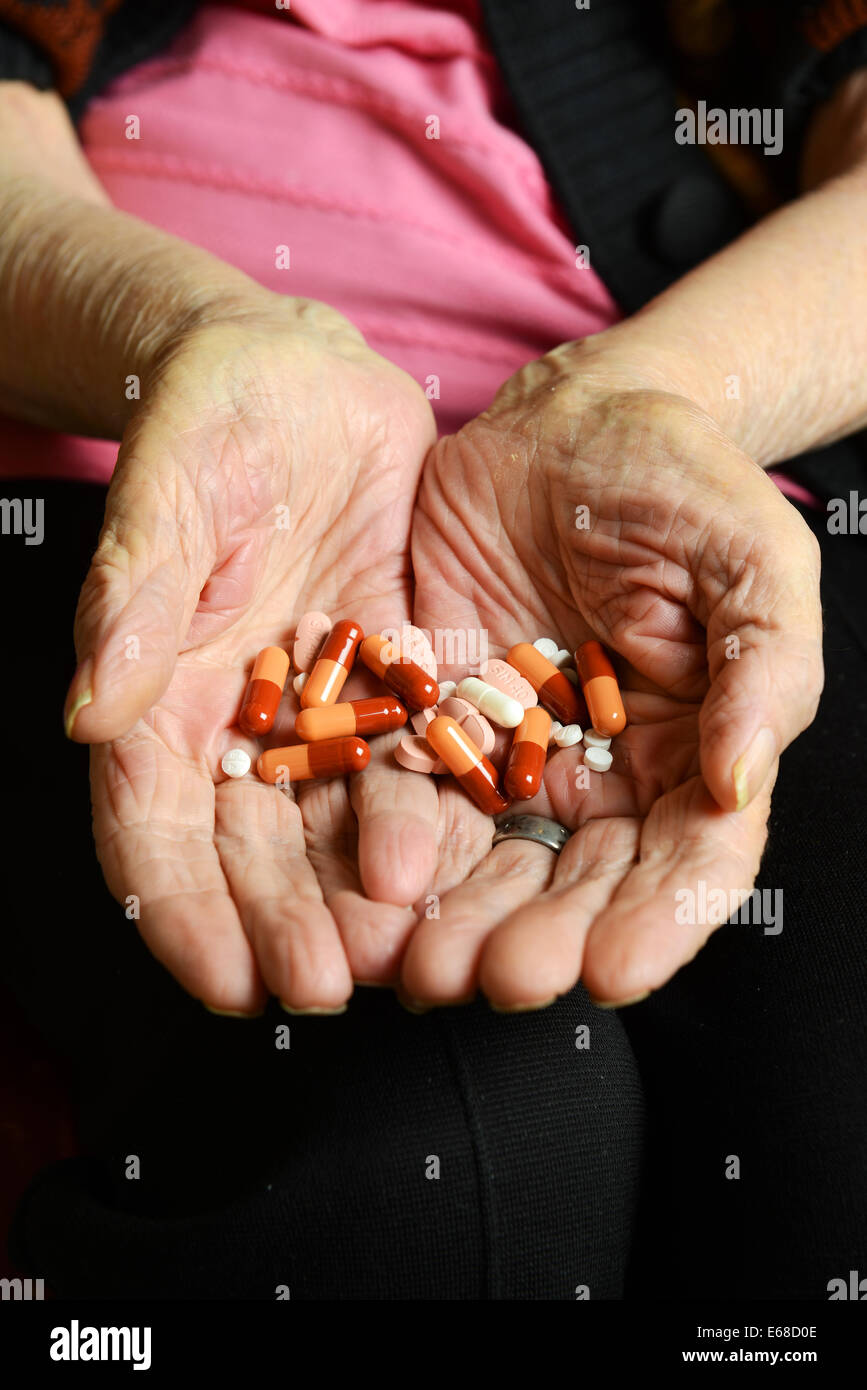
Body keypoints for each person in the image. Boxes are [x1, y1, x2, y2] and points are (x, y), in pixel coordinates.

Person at [1, 0, 865, 1300]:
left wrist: (659, 396)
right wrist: (192, 336)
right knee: (438, 1161)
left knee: (830, 1122)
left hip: (669, 498)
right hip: (160, 484)